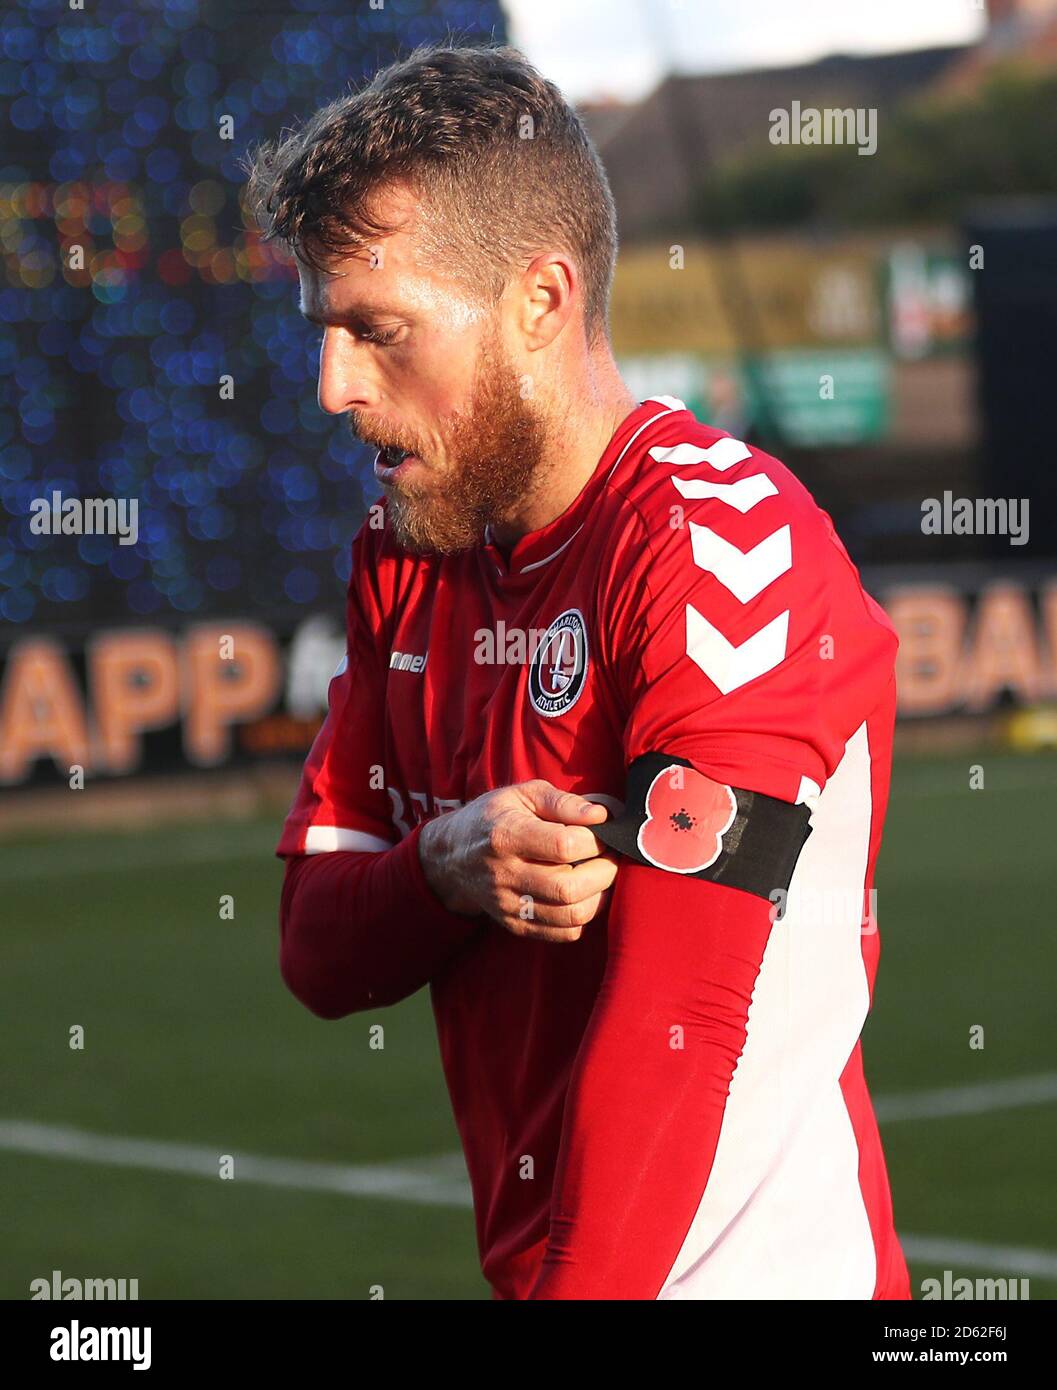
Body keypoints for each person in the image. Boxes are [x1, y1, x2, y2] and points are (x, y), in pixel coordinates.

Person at [244, 42, 910, 1300]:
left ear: (540, 301)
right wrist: (443, 867)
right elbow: (317, 953)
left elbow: (682, 1024)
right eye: (324, 332)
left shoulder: (717, 542)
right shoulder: (407, 558)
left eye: (377, 332)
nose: (333, 387)